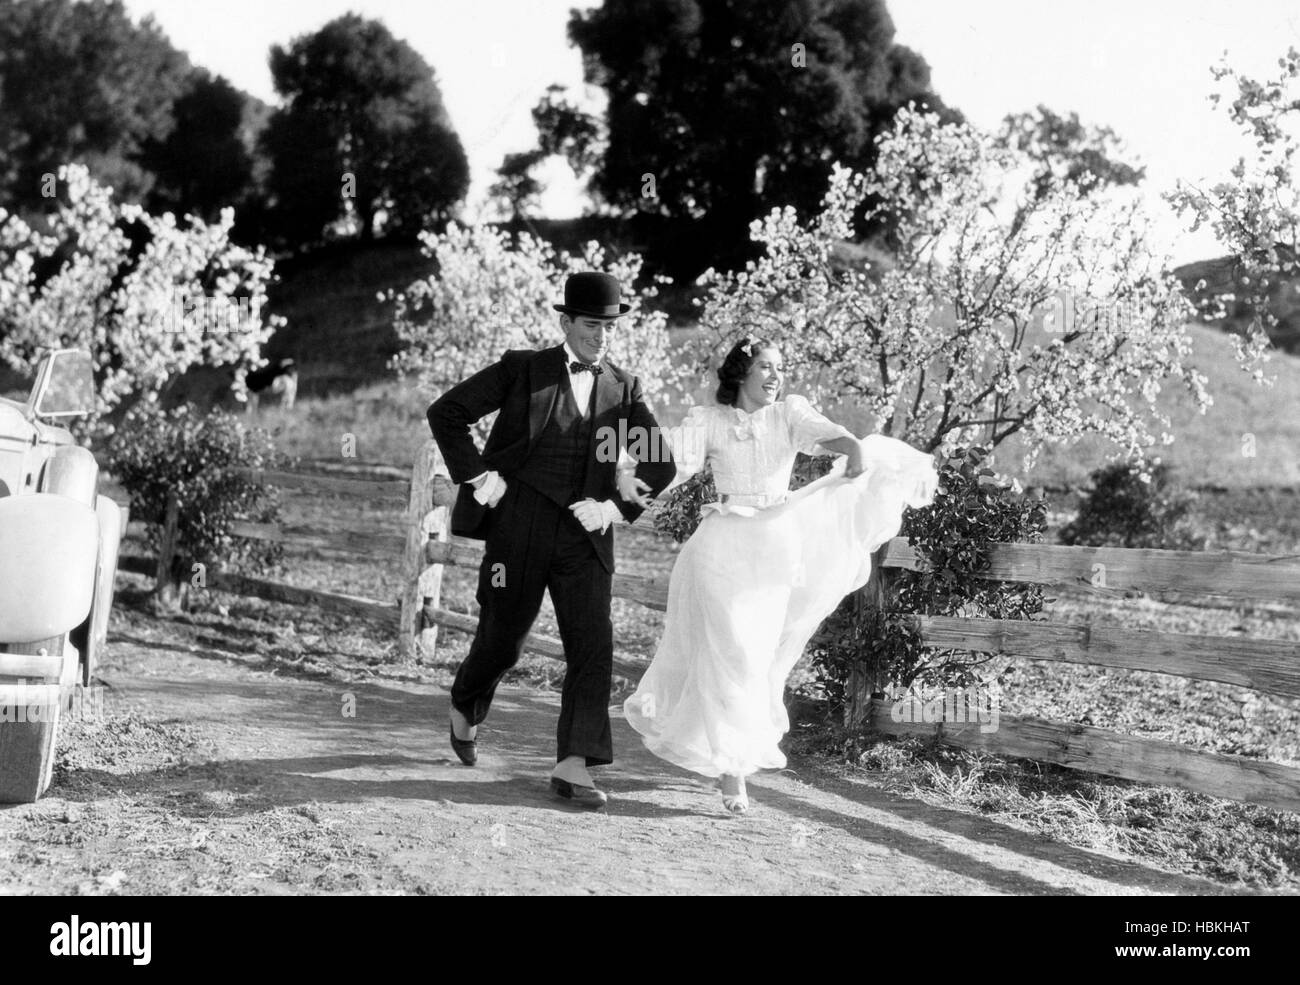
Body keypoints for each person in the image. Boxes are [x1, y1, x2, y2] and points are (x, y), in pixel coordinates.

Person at [621, 336, 938, 814]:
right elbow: (673, 462)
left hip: (772, 551)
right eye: (765, 366)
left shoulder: (788, 413)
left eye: (780, 367)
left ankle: (729, 752)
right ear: (741, 373)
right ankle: (733, 772)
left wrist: (851, 446)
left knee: (753, 655)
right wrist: (626, 472)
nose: (775, 376)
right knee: (728, 650)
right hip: (720, 546)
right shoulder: (708, 420)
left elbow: (825, 431)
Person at [427, 272, 677, 810]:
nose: (601, 336)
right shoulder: (523, 369)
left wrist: (613, 507)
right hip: (518, 524)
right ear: (566, 322)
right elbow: (446, 414)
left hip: (584, 536)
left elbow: (662, 463)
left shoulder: (624, 387)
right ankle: (466, 703)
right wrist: (477, 476)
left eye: (609, 327)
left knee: (594, 644)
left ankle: (573, 764)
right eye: (591, 325)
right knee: (503, 638)